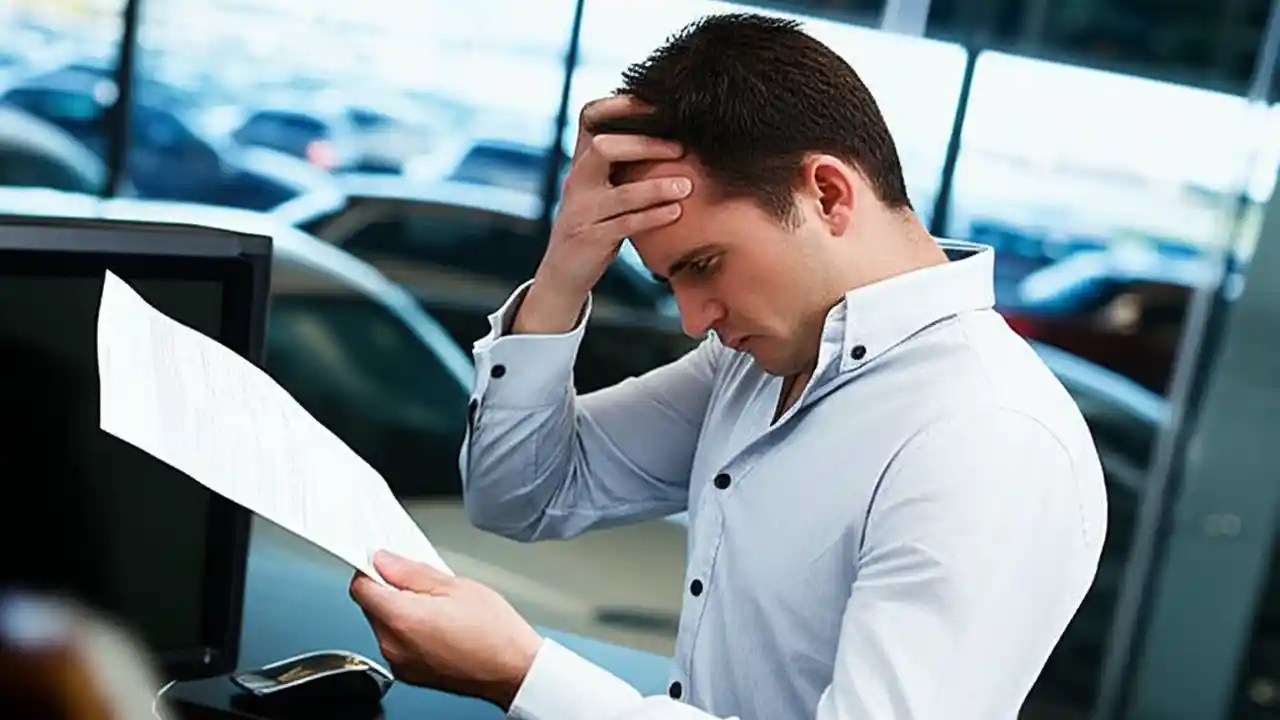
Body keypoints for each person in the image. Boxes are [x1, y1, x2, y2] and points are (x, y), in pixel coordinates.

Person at [350, 12, 1108, 720]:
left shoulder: (985, 435)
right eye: (672, 279)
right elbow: (520, 495)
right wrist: (563, 275)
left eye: (706, 264)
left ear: (827, 193)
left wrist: (525, 677)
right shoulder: (758, 365)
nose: (692, 317)